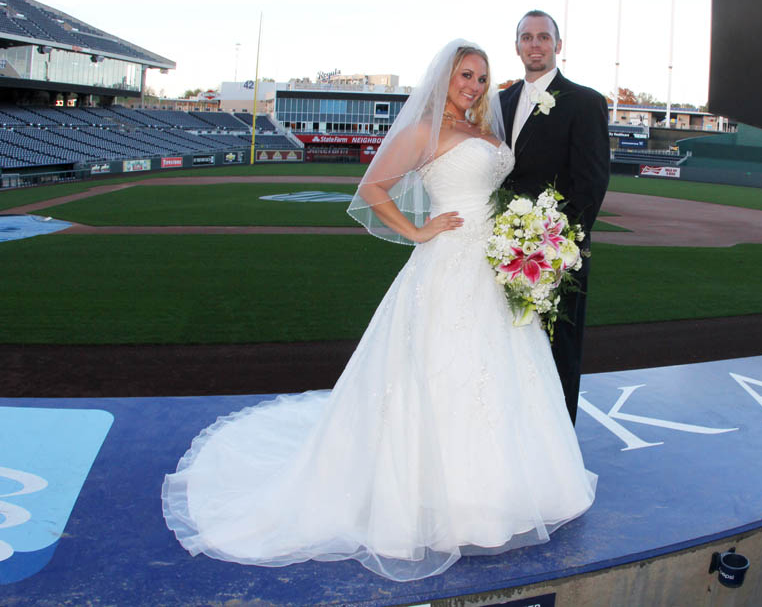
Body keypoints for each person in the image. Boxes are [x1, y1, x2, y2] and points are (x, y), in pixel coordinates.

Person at [161, 40, 596, 582]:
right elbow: (372, 189)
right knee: (442, 375)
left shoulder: (487, 131)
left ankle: (503, 491)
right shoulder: (424, 131)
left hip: (493, 266)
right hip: (446, 266)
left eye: (482, 78)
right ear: (444, 78)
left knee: (502, 375)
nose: (474, 85)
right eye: (465, 75)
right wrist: (417, 230)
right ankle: (439, 503)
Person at [499, 10, 611, 425]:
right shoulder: (500, 101)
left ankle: (558, 441)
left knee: (559, 347)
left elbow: (591, 184)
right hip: (503, 252)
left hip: (557, 254)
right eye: (526, 37)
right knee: (509, 345)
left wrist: (557, 246)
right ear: (516, 46)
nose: (534, 45)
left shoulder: (585, 102)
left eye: (543, 37)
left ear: (558, 46)